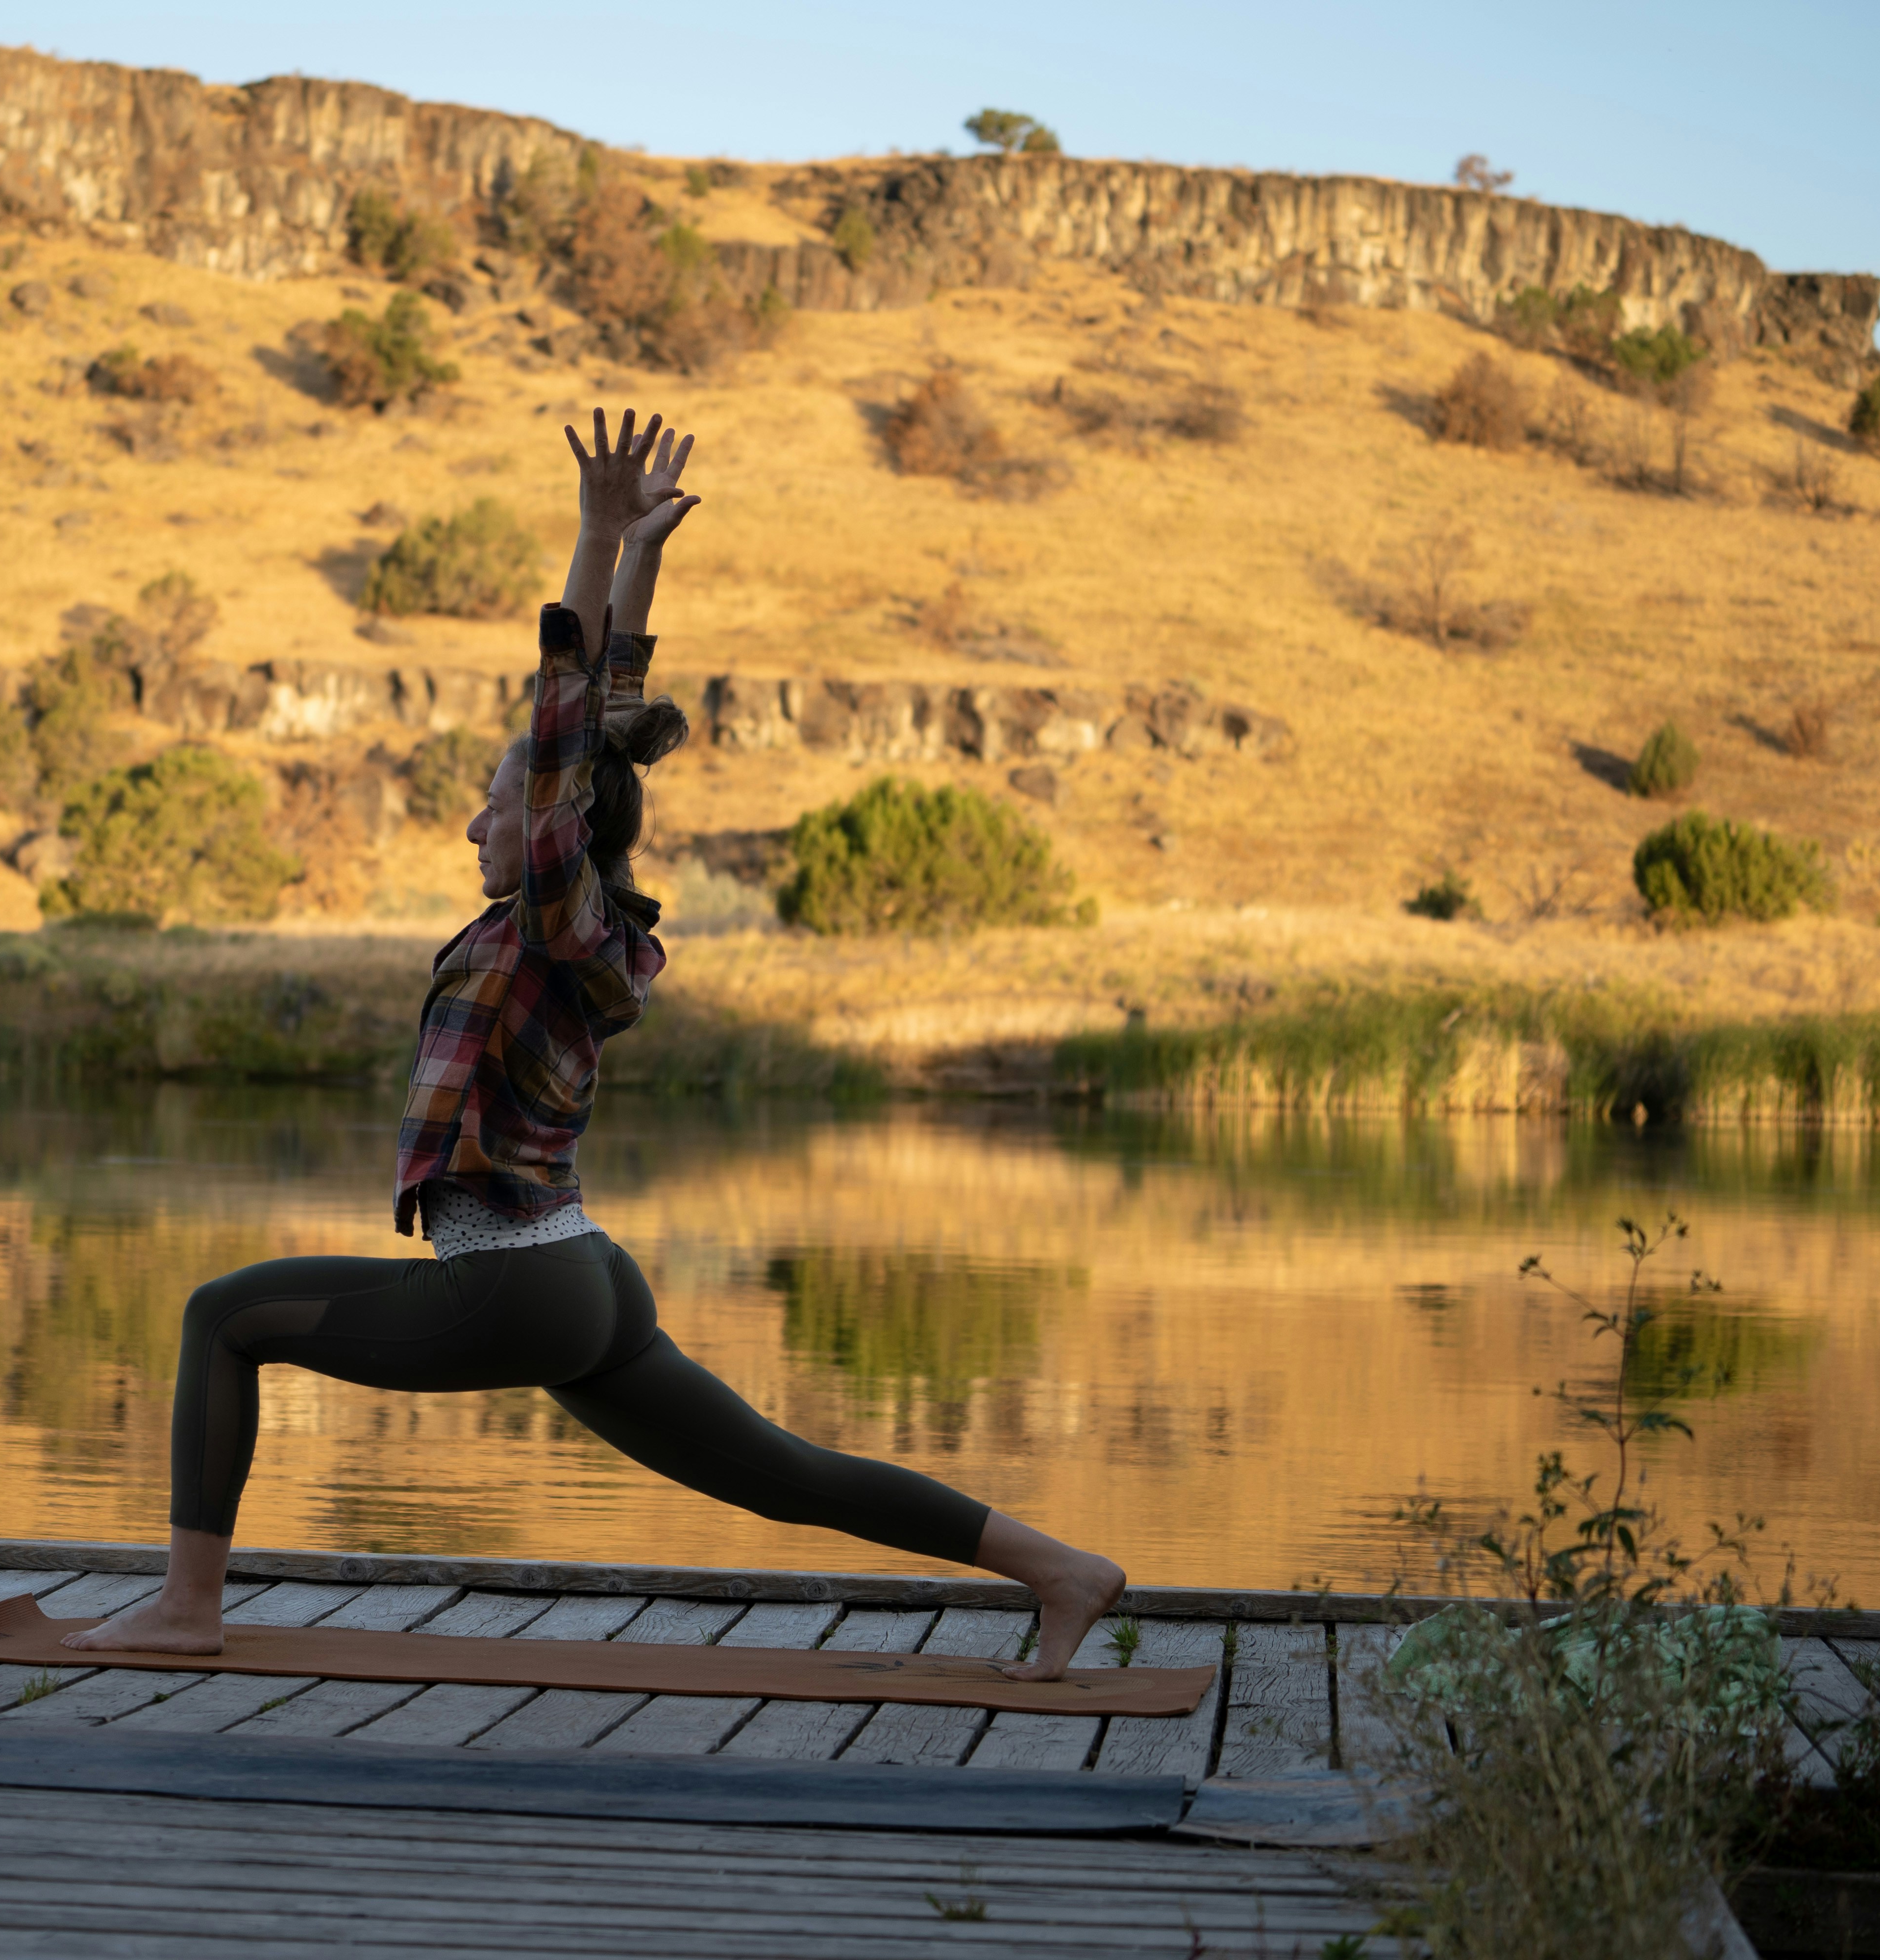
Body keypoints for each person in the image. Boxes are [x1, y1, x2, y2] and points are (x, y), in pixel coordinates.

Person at [63, 409, 1125, 1680]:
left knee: (222, 1315)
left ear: (552, 823)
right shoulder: (591, 922)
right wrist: (638, 557)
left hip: (519, 1284)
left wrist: (587, 535)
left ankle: (186, 1606)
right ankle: (1063, 1570)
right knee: (784, 1475)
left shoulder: (562, 918)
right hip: (583, 1280)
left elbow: (568, 727)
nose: (476, 823)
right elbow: (608, 724)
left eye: (497, 803)